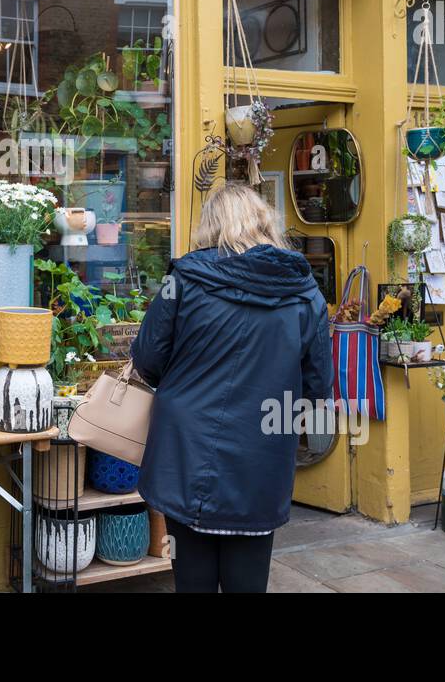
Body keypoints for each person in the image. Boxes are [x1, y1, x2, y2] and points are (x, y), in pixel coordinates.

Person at [130, 181, 332, 592]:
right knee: (248, 579)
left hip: (185, 449)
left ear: (211, 225)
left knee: (191, 578)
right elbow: (319, 385)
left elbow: (148, 360)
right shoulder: (305, 292)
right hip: (262, 454)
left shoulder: (183, 277)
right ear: (263, 223)